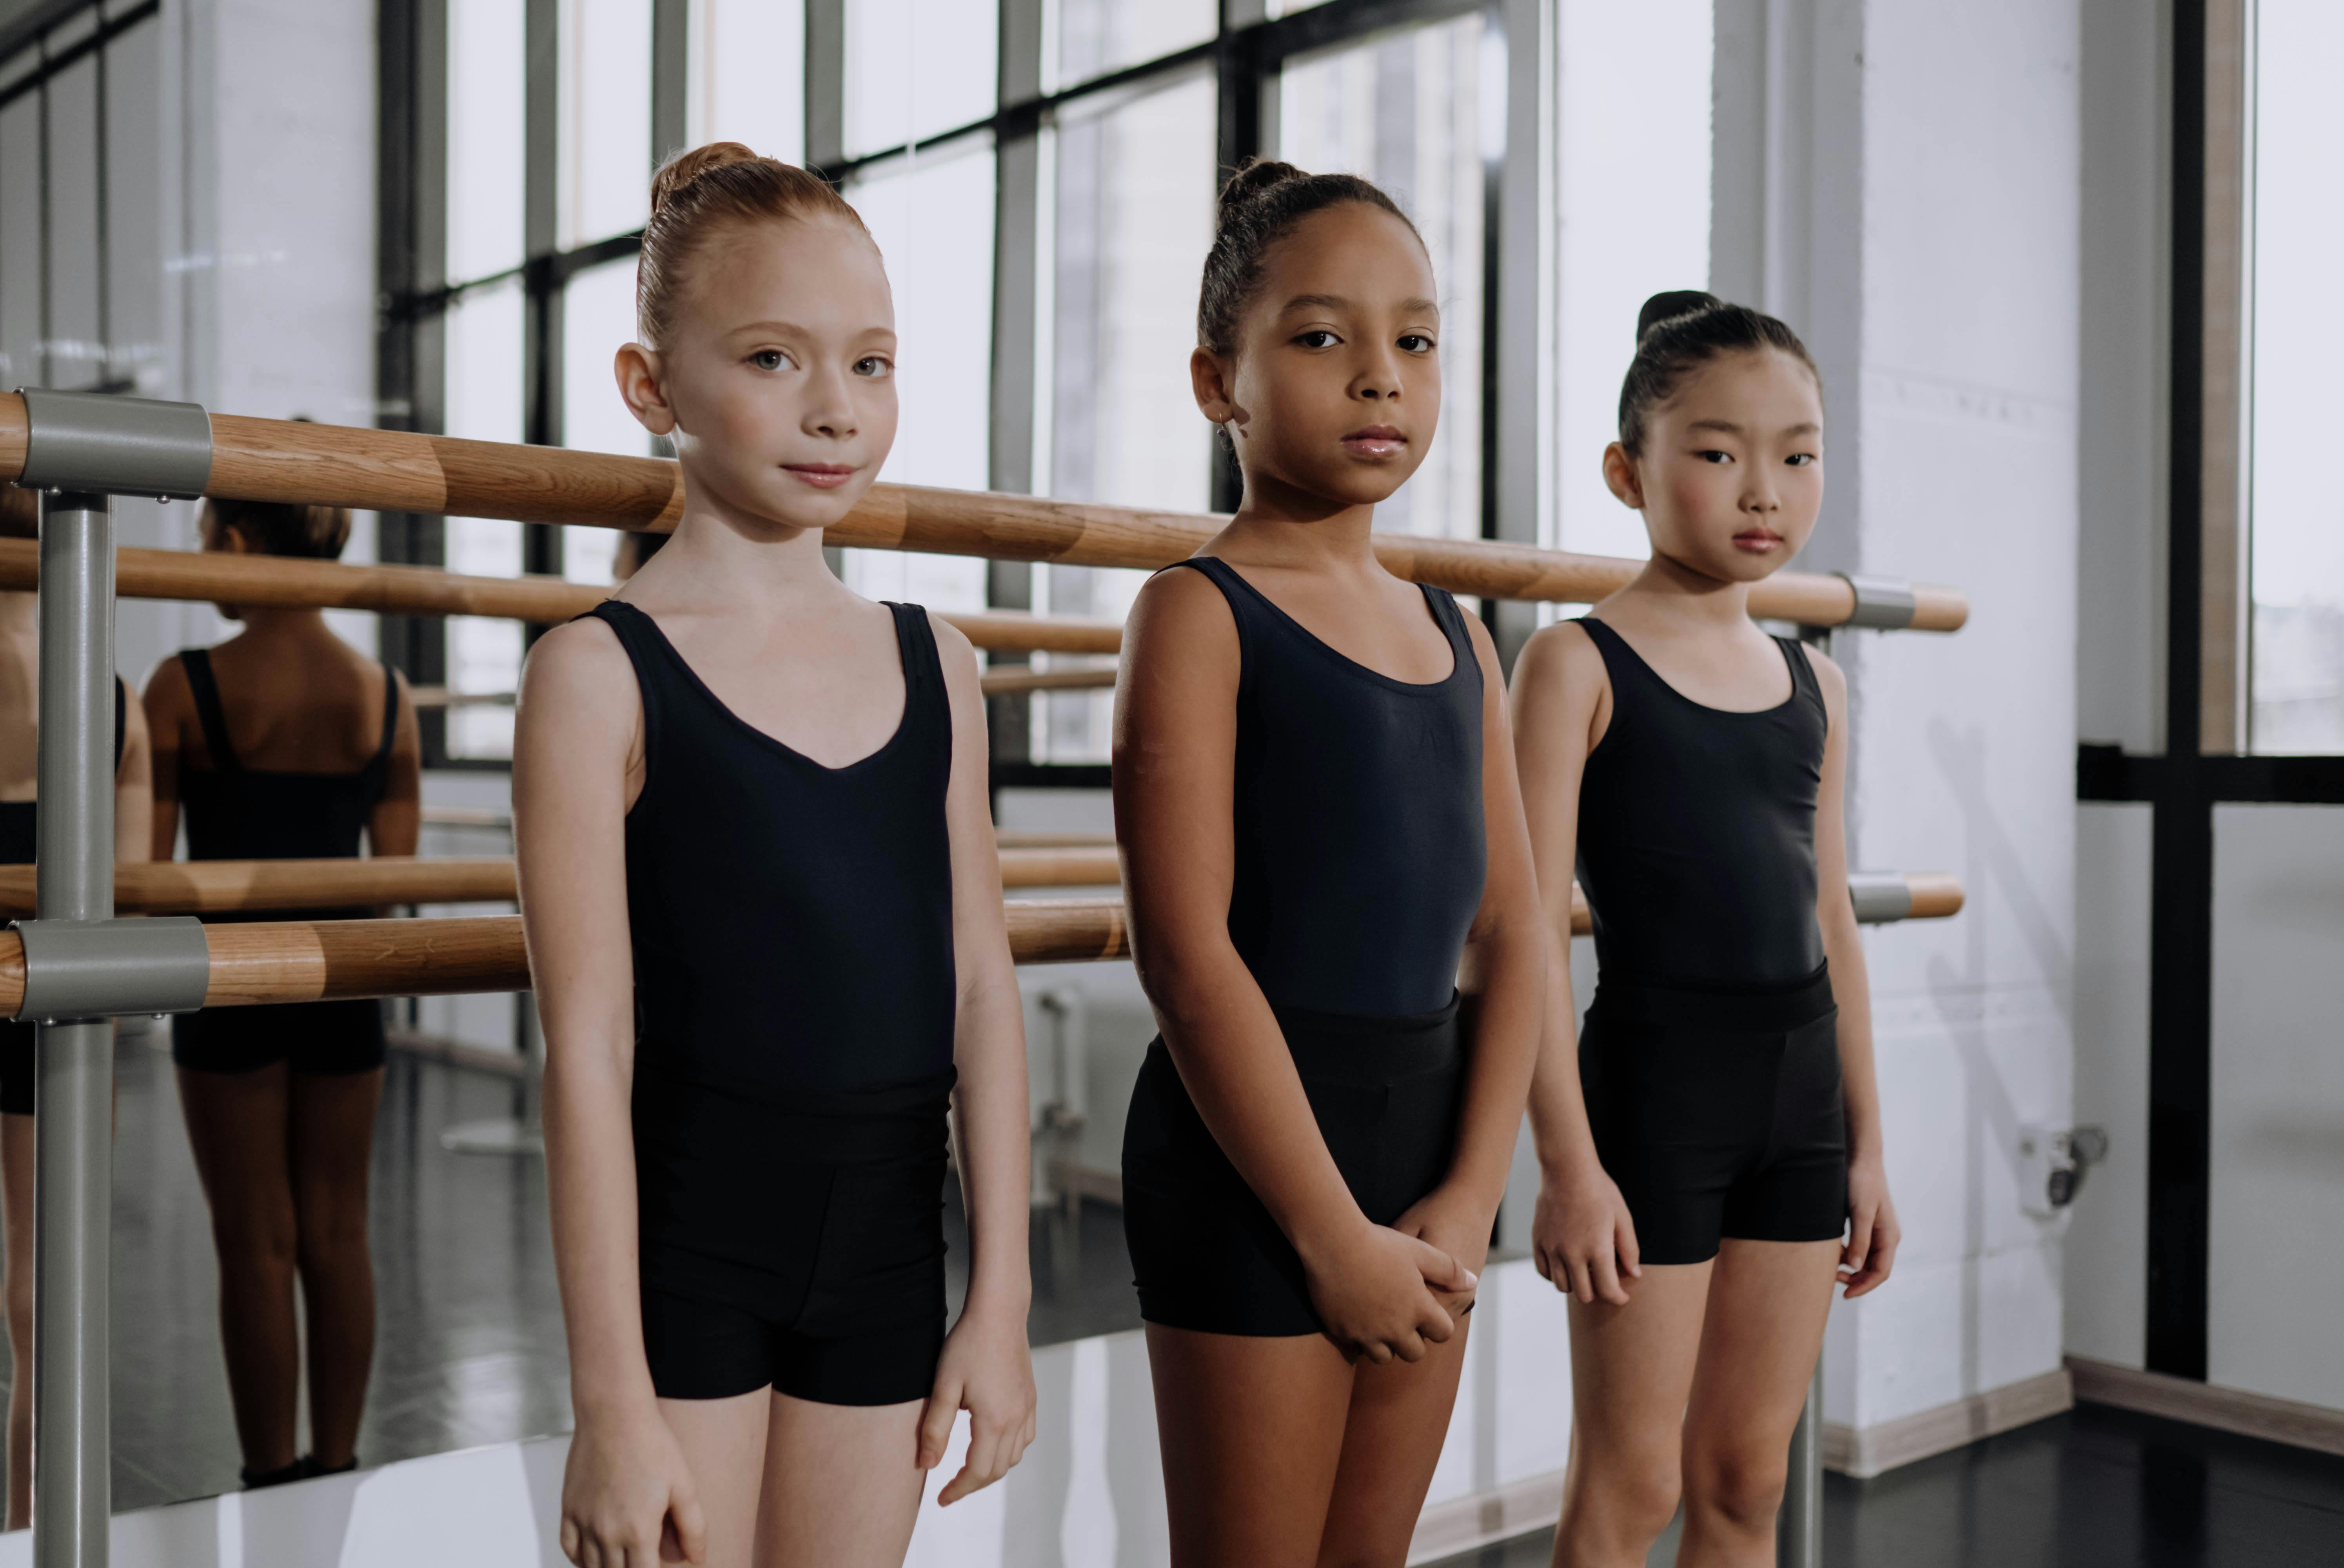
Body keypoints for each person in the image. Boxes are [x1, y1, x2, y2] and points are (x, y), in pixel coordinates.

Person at [517, 143, 1035, 1568]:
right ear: (651, 388)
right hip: (686, 1257)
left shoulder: (937, 661)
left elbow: (983, 990)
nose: (834, 410)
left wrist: (1002, 1301)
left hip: (883, 1246)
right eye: (772, 358)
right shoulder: (596, 676)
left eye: (870, 365)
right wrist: (609, 1399)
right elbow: (586, 1044)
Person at [1113, 159, 1545, 1568]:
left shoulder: (1461, 636)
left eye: (1413, 341)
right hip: (1253, 1161)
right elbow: (1188, 955)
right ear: (1215, 381)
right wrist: (1328, 1233)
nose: (1380, 379)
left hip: (1429, 1157)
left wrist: (1473, 1192)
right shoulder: (1194, 615)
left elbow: (1513, 935)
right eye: (1321, 338)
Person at [1510, 291, 1900, 1568]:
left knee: (1745, 1481)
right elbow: (1520, 929)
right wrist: (1566, 1168)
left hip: (1800, 1105)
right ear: (1630, 471)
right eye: (1720, 452)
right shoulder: (1576, 663)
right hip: (1652, 1104)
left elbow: (1831, 917)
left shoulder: (1817, 685)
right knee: (1628, 1492)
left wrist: (1870, 1147)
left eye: (1798, 455)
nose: (1764, 491)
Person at [143, 495, 422, 1488]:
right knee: (341, 1233)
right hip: (346, 977)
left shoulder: (183, 688)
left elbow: (146, 873)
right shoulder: (384, 693)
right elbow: (393, 876)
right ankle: (338, 1467)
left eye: (204, 533)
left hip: (228, 980)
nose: (196, 554)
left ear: (241, 542)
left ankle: (270, 1480)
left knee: (254, 1242)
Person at [0, 482, 151, 1526]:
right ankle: (31, 1521)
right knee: (43, 1292)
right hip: (60, 977)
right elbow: (132, 884)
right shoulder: (112, 692)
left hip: (52, 973)